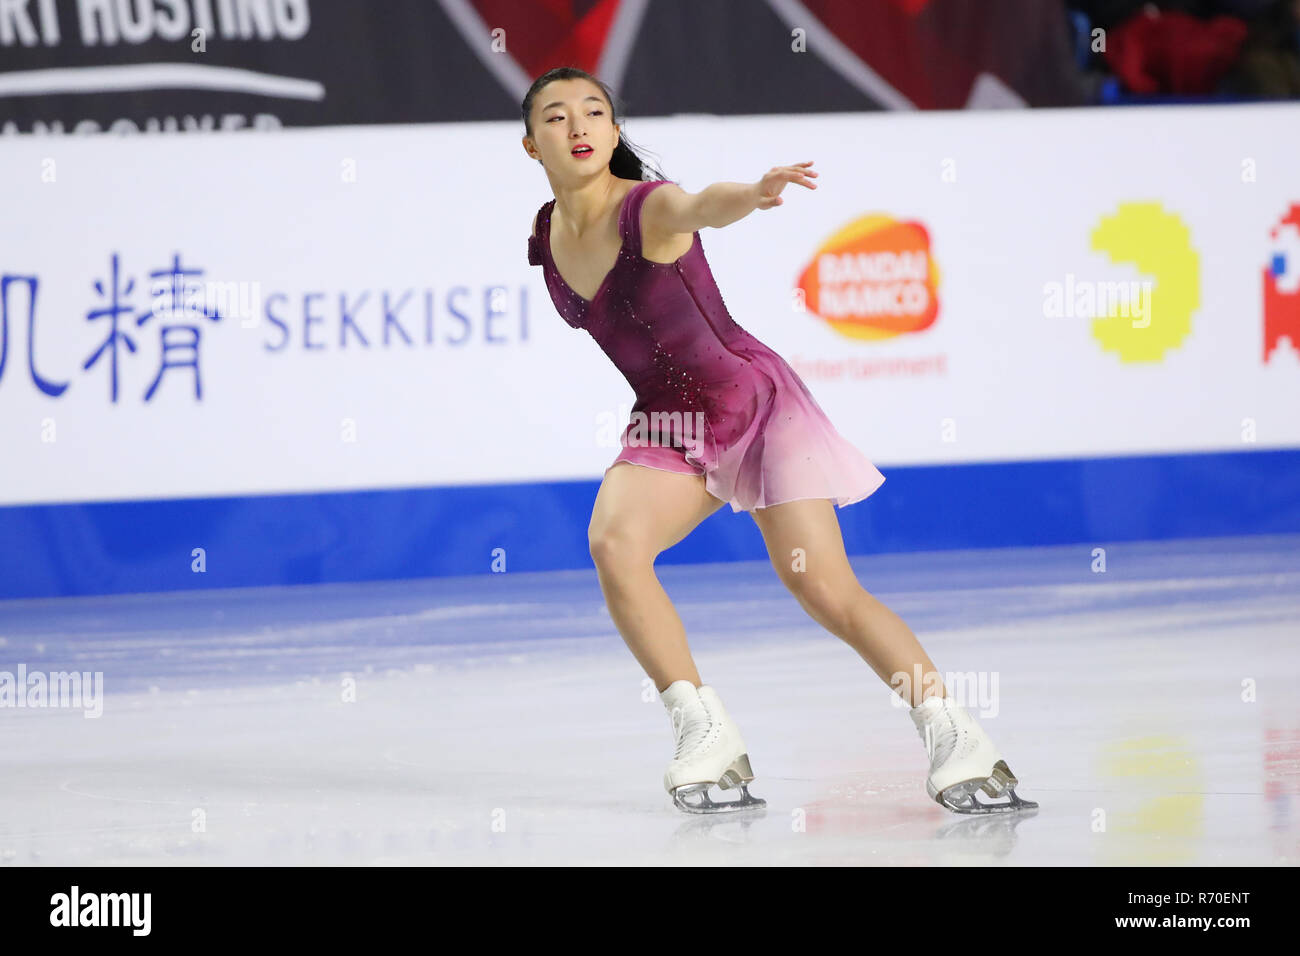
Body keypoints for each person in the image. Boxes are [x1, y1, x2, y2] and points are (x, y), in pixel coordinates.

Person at [521, 66, 1036, 816]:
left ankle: (956, 734)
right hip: (668, 417)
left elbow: (700, 202)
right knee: (615, 542)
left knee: (823, 587)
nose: (579, 127)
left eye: (595, 112)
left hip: (747, 401)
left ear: (614, 130)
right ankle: (705, 734)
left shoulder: (649, 210)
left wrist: (753, 195)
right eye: (558, 117)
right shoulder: (547, 233)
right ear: (530, 144)